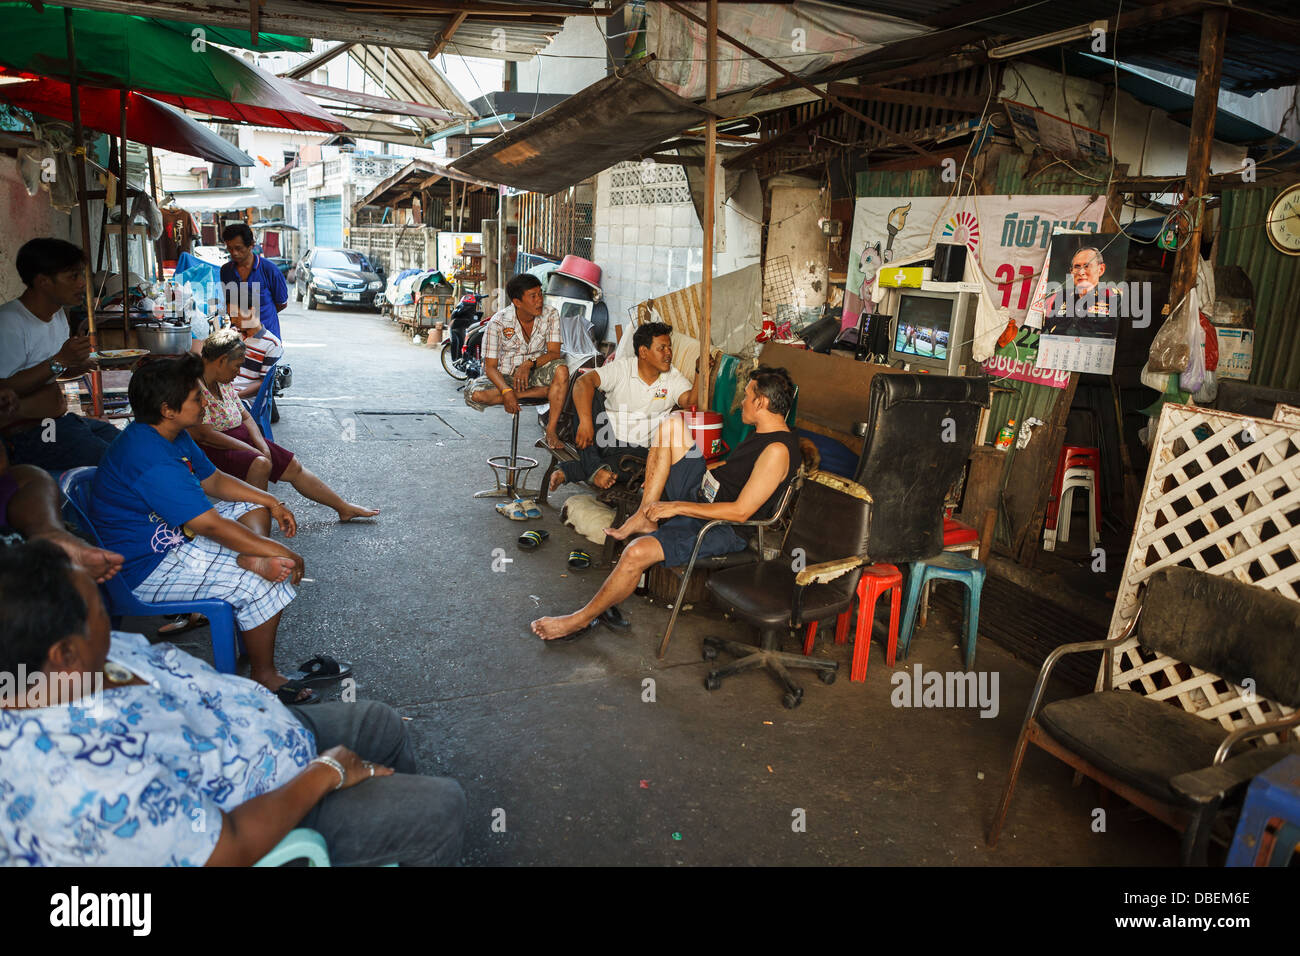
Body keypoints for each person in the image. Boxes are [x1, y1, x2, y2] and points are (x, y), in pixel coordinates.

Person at [0, 540, 466, 866]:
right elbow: (225, 850)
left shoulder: (45, 665)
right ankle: (395, 832)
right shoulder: (81, 781)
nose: (109, 613)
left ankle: (386, 842)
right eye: (100, 609)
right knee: (441, 808)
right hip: (260, 814)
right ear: (64, 653)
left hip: (251, 744)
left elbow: (31, 491)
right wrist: (329, 772)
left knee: (380, 722)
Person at [88, 355, 325, 704]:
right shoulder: (147, 455)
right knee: (268, 575)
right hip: (144, 566)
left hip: (171, 536)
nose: (205, 403)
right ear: (168, 409)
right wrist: (279, 550)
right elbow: (208, 524)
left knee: (253, 506)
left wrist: (271, 501)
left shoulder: (169, 434)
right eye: (197, 398)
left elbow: (213, 480)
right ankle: (265, 677)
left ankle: (250, 552)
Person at [531, 366, 802, 641]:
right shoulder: (762, 434)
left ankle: (577, 621)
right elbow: (734, 471)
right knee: (673, 423)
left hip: (721, 526)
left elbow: (741, 512)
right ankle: (643, 515)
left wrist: (675, 507)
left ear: (762, 402)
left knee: (635, 553)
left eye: (746, 396)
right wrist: (665, 467)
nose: (741, 402)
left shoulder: (777, 450)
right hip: (704, 494)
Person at [190, 328, 378, 522]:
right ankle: (256, 530)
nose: (238, 373)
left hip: (241, 438)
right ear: (220, 361)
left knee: (293, 466)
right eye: (236, 367)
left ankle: (343, 508)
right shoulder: (195, 387)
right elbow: (205, 435)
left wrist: (262, 445)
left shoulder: (223, 383)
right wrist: (252, 449)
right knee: (259, 464)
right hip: (215, 447)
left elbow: (246, 417)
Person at [0, 238, 120, 471]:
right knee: (116, 463)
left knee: (130, 446)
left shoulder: (57, 315)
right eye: (73, 276)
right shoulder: (8, 324)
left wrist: (88, 364)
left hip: (59, 422)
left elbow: (53, 373)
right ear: (43, 281)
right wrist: (61, 360)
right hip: (31, 432)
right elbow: (5, 388)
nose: (82, 284)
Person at [548, 321, 696, 494]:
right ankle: (591, 468)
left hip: (635, 450)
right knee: (588, 394)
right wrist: (586, 422)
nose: (668, 353)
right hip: (600, 437)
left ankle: (578, 470)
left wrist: (701, 372)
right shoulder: (623, 368)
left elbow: (690, 403)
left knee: (638, 464)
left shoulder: (672, 377)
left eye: (669, 348)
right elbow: (583, 382)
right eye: (661, 348)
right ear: (643, 352)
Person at [0, 389, 122, 580]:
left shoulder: (23, 477)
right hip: (41, 431)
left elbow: (23, 475)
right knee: (121, 464)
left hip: (61, 423)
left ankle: (53, 534)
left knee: (32, 475)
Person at [465, 274, 570, 450]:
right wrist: (506, 391)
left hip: (535, 372)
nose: (539, 301)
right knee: (475, 395)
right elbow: (489, 367)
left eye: (540, 294)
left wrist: (529, 364)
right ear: (517, 302)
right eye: (533, 296)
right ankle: (539, 392)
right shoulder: (498, 322)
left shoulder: (551, 314)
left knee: (562, 370)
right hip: (505, 377)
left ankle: (551, 431)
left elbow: (554, 352)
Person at [220, 222, 288, 340]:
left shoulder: (270, 270)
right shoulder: (226, 271)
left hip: (268, 337)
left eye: (238, 248)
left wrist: (258, 318)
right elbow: (230, 304)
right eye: (230, 248)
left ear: (251, 245)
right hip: (239, 339)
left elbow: (281, 303)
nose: (234, 253)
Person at [1043, 245, 1123, 339]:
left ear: (1101, 269)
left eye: (1087, 266)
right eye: (1077, 267)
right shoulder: (1056, 298)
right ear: (1071, 271)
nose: (1081, 272)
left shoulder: (1116, 299)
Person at [228, 301, 283, 399]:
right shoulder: (232, 334)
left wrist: (234, 398)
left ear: (252, 310)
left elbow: (263, 383)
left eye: (236, 316)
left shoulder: (272, 344)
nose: (233, 321)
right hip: (224, 394)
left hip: (245, 400)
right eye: (230, 316)